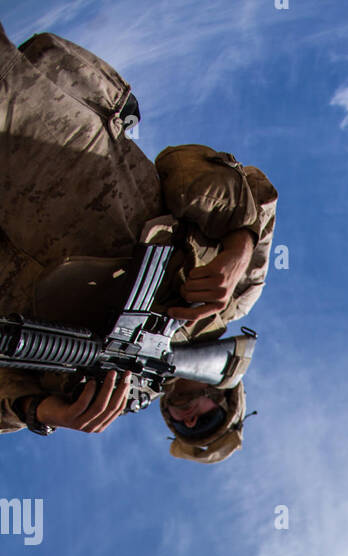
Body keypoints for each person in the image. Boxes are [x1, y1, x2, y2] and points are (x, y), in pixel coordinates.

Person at [0, 24, 277, 461]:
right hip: (70, 185)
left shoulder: (113, 393)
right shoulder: (234, 297)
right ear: (226, 396)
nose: (187, 421)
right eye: (206, 421)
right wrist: (238, 245)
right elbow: (186, 165)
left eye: (180, 428)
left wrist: (40, 411)